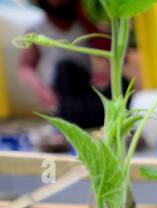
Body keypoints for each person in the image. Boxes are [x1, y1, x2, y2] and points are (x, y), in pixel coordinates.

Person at [16, 0, 113, 149]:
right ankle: (61, 133)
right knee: (66, 70)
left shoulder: (82, 25)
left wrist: (104, 72)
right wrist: (42, 90)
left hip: (84, 91)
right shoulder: (36, 30)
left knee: (118, 86)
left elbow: (108, 48)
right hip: (60, 98)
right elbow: (25, 67)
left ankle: (105, 128)